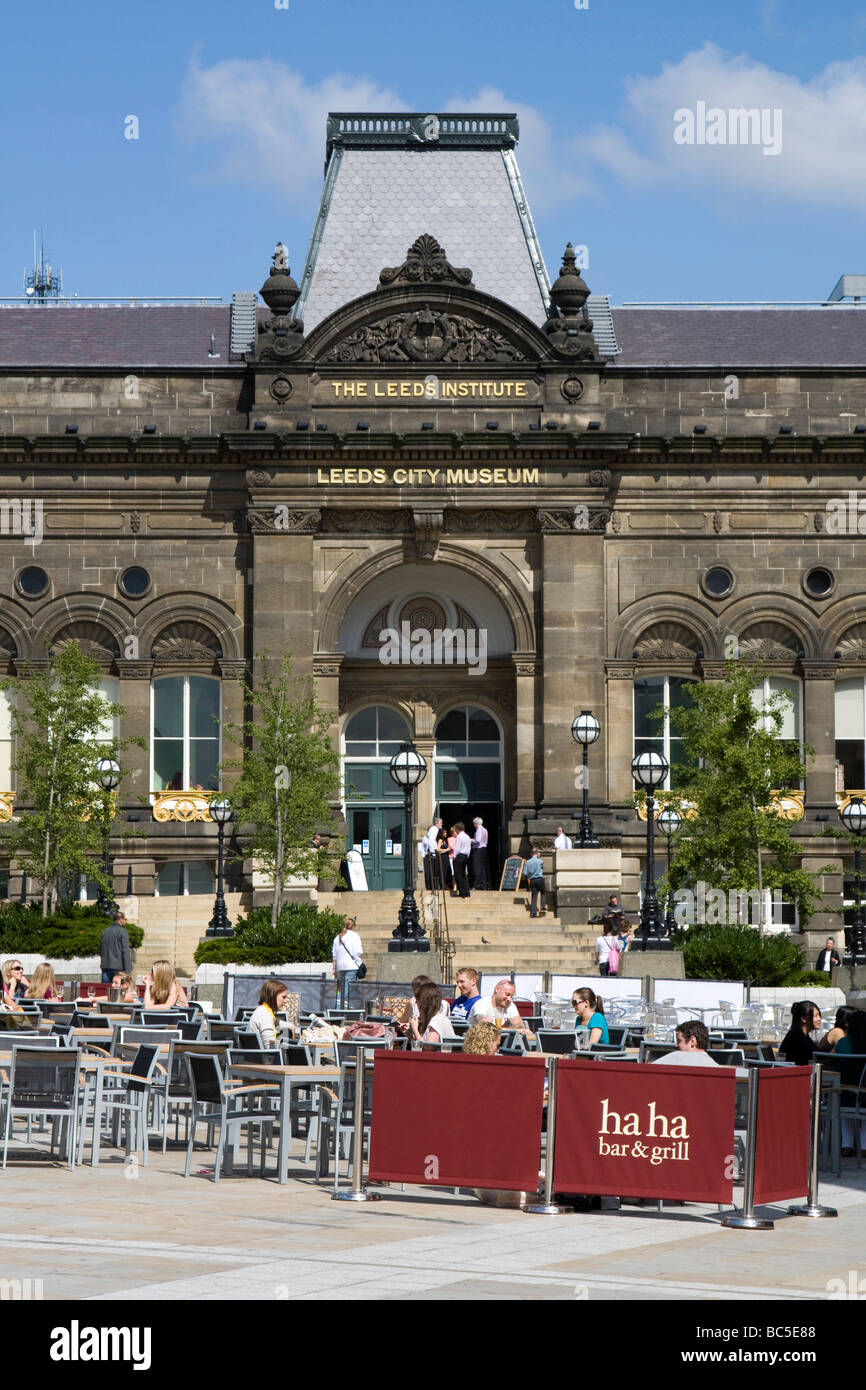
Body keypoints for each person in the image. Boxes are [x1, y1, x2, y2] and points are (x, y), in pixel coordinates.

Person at [651, 1018, 720, 1066]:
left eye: (679, 1041)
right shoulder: (715, 1067)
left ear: (693, 1041)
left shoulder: (677, 1057)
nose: (676, 1045)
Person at [411, 983, 457, 1047]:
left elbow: (428, 1048)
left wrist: (415, 1029)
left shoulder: (437, 1021)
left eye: (418, 1000)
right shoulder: (434, 1019)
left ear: (424, 1002)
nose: (416, 1003)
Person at [332, 916, 364, 1006]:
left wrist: (334, 970)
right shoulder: (355, 936)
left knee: (342, 989)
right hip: (351, 966)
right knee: (346, 990)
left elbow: (334, 956)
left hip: (340, 967)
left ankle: (342, 1007)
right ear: (353, 926)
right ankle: (338, 1009)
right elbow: (359, 952)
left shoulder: (338, 937)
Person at [778, 1000, 822, 1065]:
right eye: (816, 1016)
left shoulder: (799, 1034)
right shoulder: (797, 1037)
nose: (819, 1019)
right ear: (803, 1018)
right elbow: (815, 1055)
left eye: (819, 1016)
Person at [249, 979, 288, 1048]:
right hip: (263, 1057)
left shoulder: (262, 1010)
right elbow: (270, 1049)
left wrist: (290, 1026)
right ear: (273, 996)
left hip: (253, 1056)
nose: (286, 1001)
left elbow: (275, 1022)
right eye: (283, 997)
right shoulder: (264, 1016)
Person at [99, 910, 132, 985]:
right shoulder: (123, 931)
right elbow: (125, 951)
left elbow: (101, 950)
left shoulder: (105, 931)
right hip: (118, 967)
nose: (125, 921)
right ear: (121, 919)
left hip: (105, 966)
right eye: (125, 919)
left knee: (105, 991)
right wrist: (128, 970)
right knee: (118, 992)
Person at [523, 847, 545, 917]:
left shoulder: (527, 862)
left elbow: (524, 873)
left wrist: (524, 878)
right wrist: (539, 857)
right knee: (543, 892)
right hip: (540, 879)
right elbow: (542, 867)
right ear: (537, 853)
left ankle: (533, 913)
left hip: (532, 880)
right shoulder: (540, 861)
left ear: (531, 854)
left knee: (534, 896)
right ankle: (542, 906)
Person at [452, 822, 472, 899]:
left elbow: (457, 848)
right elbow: (469, 848)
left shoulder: (459, 836)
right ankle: (467, 892)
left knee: (458, 875)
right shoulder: (467, 836)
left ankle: (462, 892)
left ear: (457, 829)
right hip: (465, 856)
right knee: (463, 875)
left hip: (459, 856)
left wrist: (454, 857)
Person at [470, 817, 489, 890]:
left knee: (476, 867)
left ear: (476, 823)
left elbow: (477, 840)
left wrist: (470, 840)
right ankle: (484, 885)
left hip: (478, 850)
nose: (474, 825)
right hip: (483, 849)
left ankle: (476, 885)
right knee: (482, 868)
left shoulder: (479, 830)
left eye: (474, 824)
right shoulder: (485, 830)